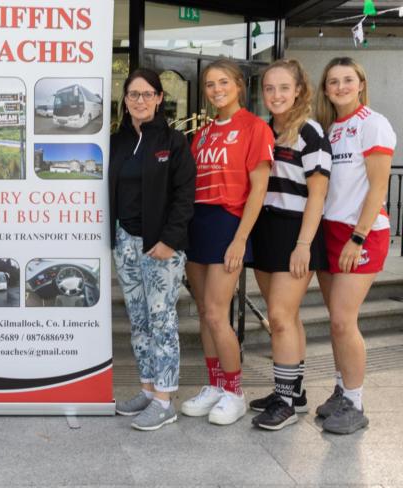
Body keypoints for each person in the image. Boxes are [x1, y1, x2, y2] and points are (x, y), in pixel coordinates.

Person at [180, 58, 274, 425]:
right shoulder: (202, 134)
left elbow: (259, 188)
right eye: (210, 84)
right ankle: (215, 385)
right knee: (205, 312)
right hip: (197, 222)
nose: (216, 90)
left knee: (218, 313)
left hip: (228, 222)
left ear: (238, 85)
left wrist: (240, 238)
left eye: (223, 82)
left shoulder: (254, 127)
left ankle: (235, 392)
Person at [247, 59, 332, 431]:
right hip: (265, 228)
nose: (276, 95)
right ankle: (292, 393)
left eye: (284, 87)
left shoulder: (310, 132)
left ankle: (284, 403)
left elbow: (318, 194)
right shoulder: (264, 130)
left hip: (296, 231)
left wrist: (303, 245)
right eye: (269, 88)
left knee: (280, 318)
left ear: (299, 90)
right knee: (287, 317)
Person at [313, 57, 396, 435]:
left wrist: (357, 237)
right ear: (326, 89)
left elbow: (378, 187)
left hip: (360, 233)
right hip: (328, 230)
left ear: (361, 83)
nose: (341, 87)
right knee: (336, 321)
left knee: (344, 320)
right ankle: (341, 389)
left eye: (348, 80)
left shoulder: (373, 123)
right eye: (333, 81)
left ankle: (356, 402)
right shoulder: (329, 129)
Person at [109, 69, 195, 430]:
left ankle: (164, 399)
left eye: (147, 94)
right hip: (125, 244)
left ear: (159, 98)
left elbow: (185, 196)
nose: (140, 100)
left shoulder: (174, 142)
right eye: (133, 94)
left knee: (162, 321)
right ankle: (147, 389)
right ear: (125, 99)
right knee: (139, 322)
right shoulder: (117, 142)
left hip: (160, 247)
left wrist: (170, 241)